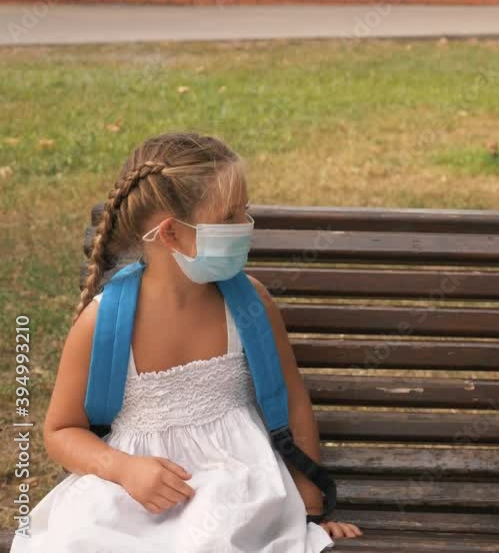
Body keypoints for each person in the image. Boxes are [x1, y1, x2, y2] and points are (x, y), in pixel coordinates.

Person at [12, 132, 362, 552]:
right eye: (230, 216)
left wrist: (311, 511)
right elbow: (60, 430)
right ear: (171, 234)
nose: (245, 227)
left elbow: (290, 398)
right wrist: (123, 469)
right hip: (132, 492)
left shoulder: (250, 305)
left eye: (244, 212)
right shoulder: (103, 323)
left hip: (237, 487)